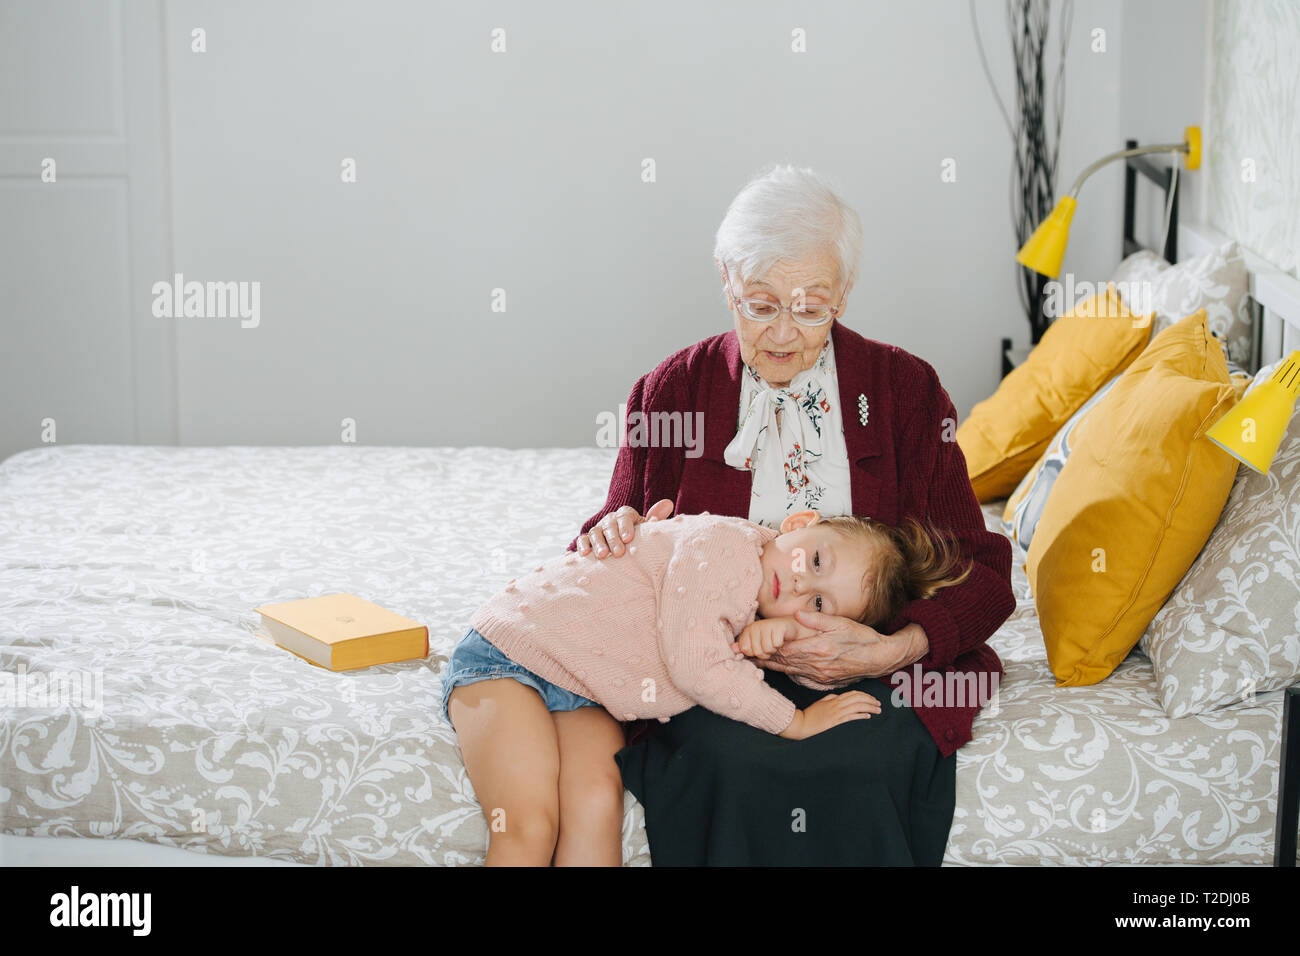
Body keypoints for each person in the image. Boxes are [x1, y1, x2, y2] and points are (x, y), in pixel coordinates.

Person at [571, 164, 1017, 866]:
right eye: (760, 303)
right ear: (725, 280)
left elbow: (984, 575)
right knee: (721, 756)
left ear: (844, 294)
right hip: (704, 664)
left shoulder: (906, 391)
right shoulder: (671, 391)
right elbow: (605, 545)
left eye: (812, 308)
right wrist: (607, 535)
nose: (783, 333)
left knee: (861, 757)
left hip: (865, 663)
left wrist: (890, 649)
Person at [444, 509, 970, 865]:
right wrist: (797, 721)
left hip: (583, 686)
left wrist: (761, 638)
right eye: (814, 560)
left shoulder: (752, 593)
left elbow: (729, 646)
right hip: (510, 655)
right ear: (799, 522)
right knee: (528, 826)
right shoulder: (723, 546)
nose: (802, 584)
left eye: (818, 606)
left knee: (595, 808)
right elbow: (698, 667)